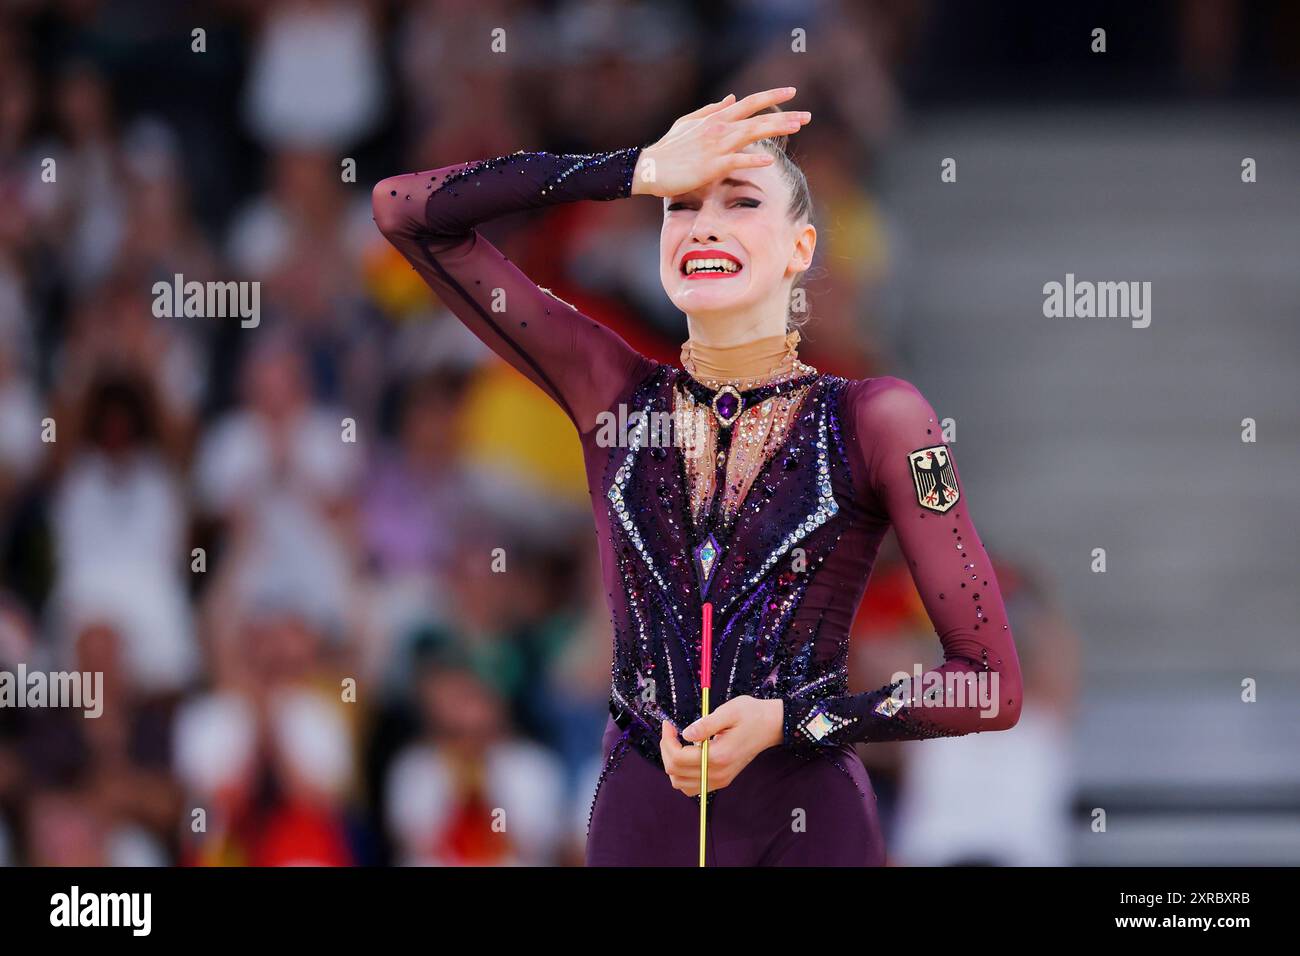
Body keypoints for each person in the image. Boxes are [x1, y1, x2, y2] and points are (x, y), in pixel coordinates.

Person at [372, 87, 1023, 866]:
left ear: (801, 248)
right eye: (680, 206)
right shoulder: (609, 389)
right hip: (644, 816)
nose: (703, 223)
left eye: (741, 201)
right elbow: (404, 210)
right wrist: (633, 168)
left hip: (805, 818)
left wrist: (794, 722)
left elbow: (988, 683)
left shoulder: (878, 417)